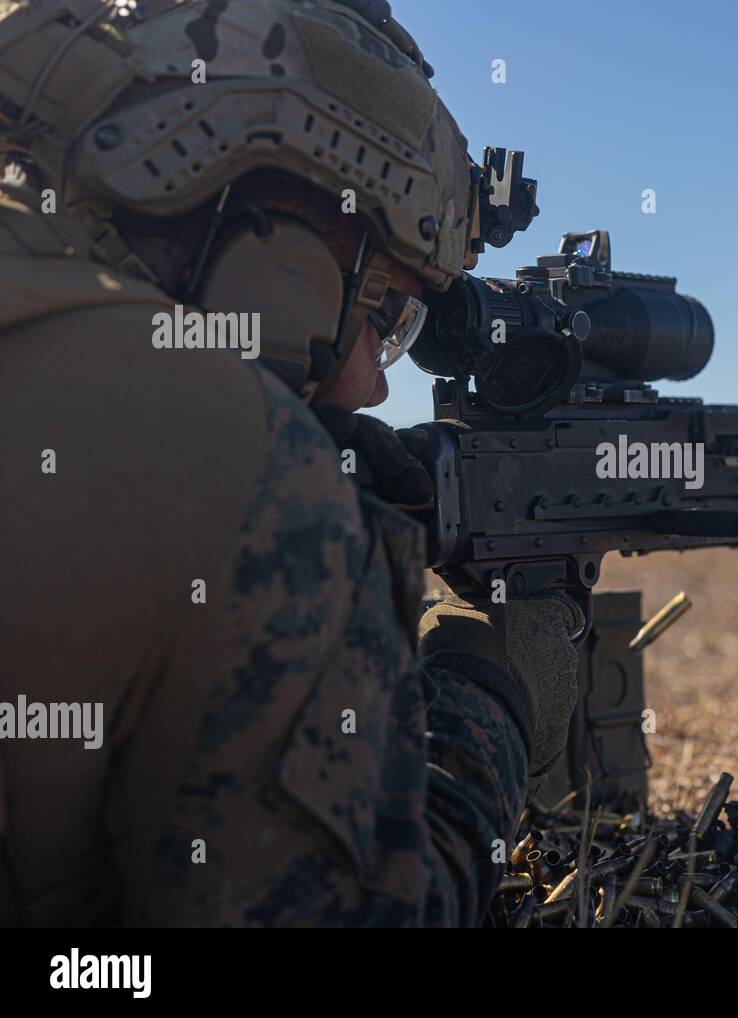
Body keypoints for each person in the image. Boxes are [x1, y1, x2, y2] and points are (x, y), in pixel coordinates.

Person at [0, 0, 576, 926]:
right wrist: (490, 699)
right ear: (268, 255)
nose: (370, 387)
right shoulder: (228, 450)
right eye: (383, 311)